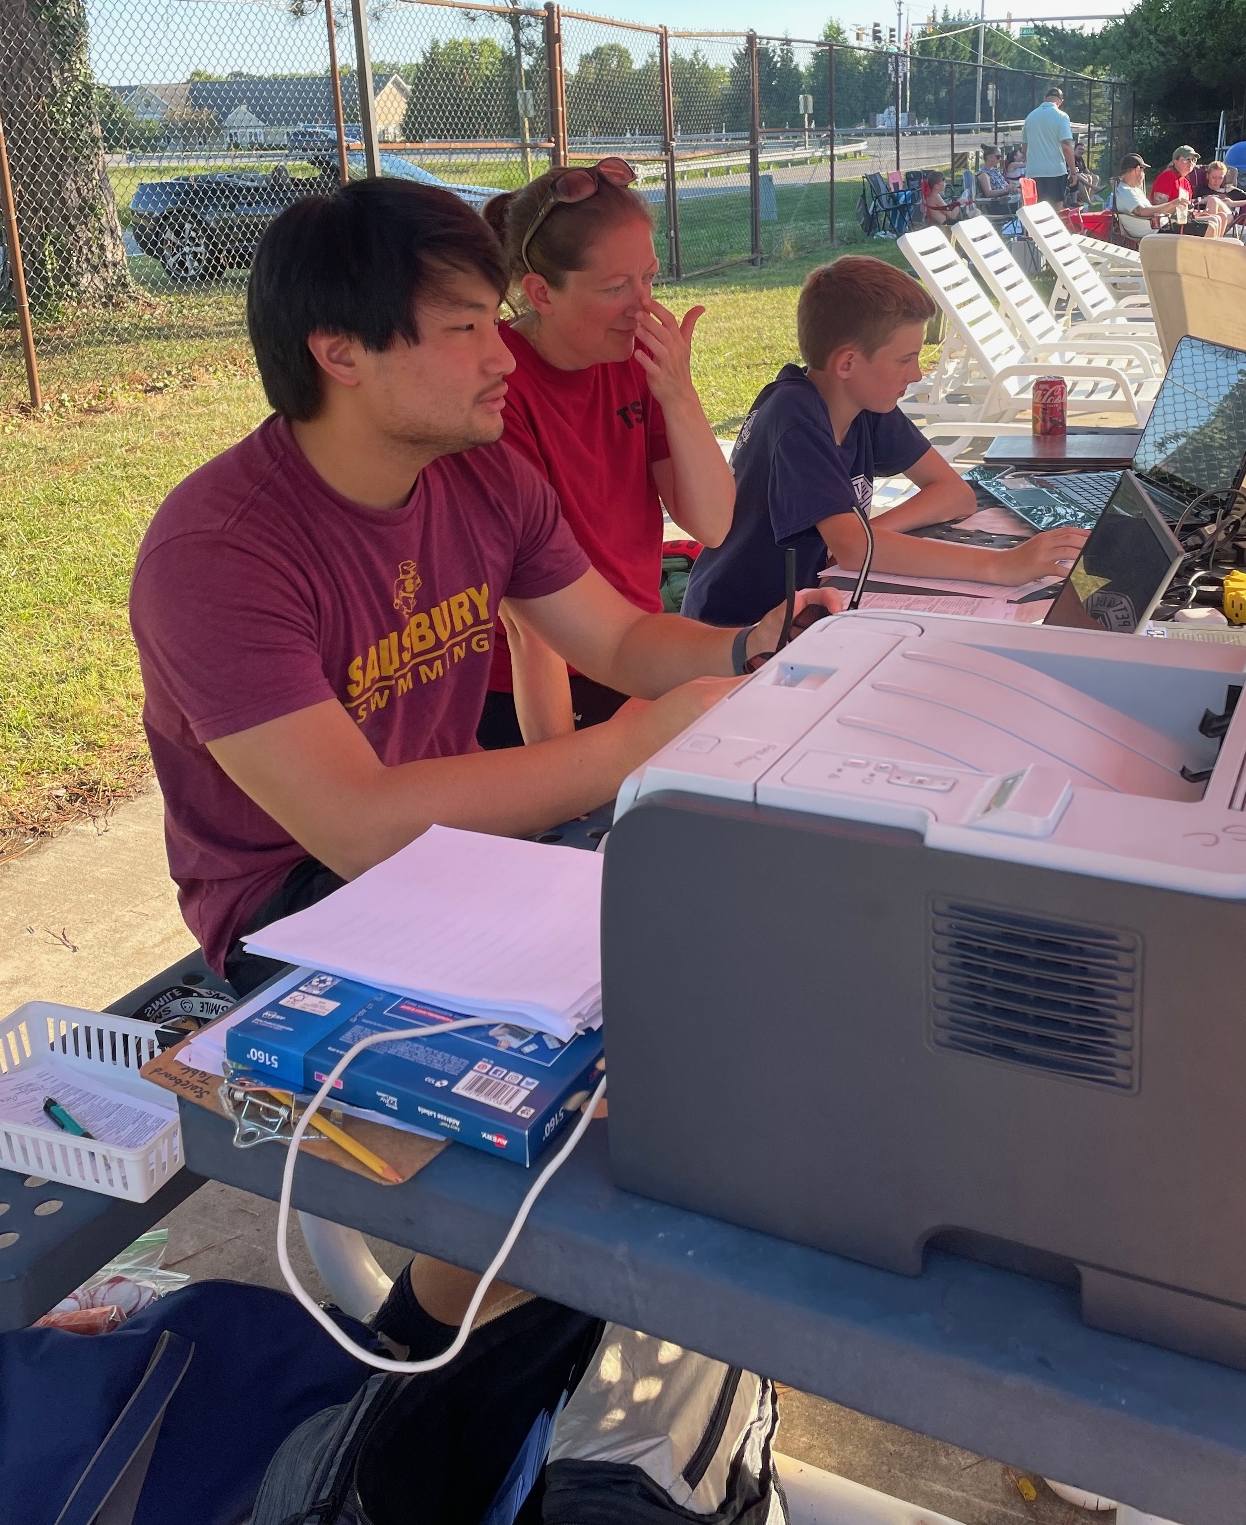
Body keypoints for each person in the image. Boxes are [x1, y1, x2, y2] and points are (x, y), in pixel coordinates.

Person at [128, 178, 833, 994]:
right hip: (300, 905)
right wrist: (633, 748)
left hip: (455, 842)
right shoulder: (218, 554)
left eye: (491, 319)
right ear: (341, 352)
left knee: (745, 922)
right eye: (464, 328)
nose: (502, 355)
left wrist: (751, 648)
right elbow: (356, 825)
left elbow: (618, 640)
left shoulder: (483, 475)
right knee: (675, 979)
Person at [476, 159, 735, 748]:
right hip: (530, 685)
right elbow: (531, 614)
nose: (641, 306)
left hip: (633, 650)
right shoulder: (499, 390)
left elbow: (713, 523)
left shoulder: (633, 361)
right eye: (616, 288)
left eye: (649, 278)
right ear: (540, 292)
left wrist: (678, 391)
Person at [681, 256, 1087, 627]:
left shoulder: (864, 403)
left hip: (813, 602)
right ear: (848, 364)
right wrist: (1003, 566)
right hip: (736, 623)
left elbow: (955, 495)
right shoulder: (794, 416)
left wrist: (866, 531)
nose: (917, 375)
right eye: (905, 359)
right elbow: (857, 551)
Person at [1019, 85, 1076, 206]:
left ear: (1044, 98)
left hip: (1033, 172)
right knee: (1055, 211)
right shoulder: (1061, 116)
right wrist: (1073, 172)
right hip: (1054, 171)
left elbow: (1024, 147)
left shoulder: (1030, 117)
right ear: (1060, 101)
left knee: (1035, 210)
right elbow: (1066, 146)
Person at [1111, 153, 1183, 242]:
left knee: (1197, 225)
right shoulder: (1125, 191)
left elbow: (1147, 210)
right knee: (1197, 229)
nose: (1144, 174)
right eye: (1143, 170)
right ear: (1137, 170)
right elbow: (1141, 211)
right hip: (1154, 231)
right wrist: (1172, 204)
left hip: (1159, 227)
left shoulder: (1134, 189)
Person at [975, 145, 1011, 210]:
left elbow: (1006, 185)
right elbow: (988, 193)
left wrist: (1012, 188)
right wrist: (1006, 190)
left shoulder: (995, 171)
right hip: (998, 205)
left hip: (1006, 201)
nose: (1000, 159)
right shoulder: (984, 174)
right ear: (989, 157)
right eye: (998, 157)